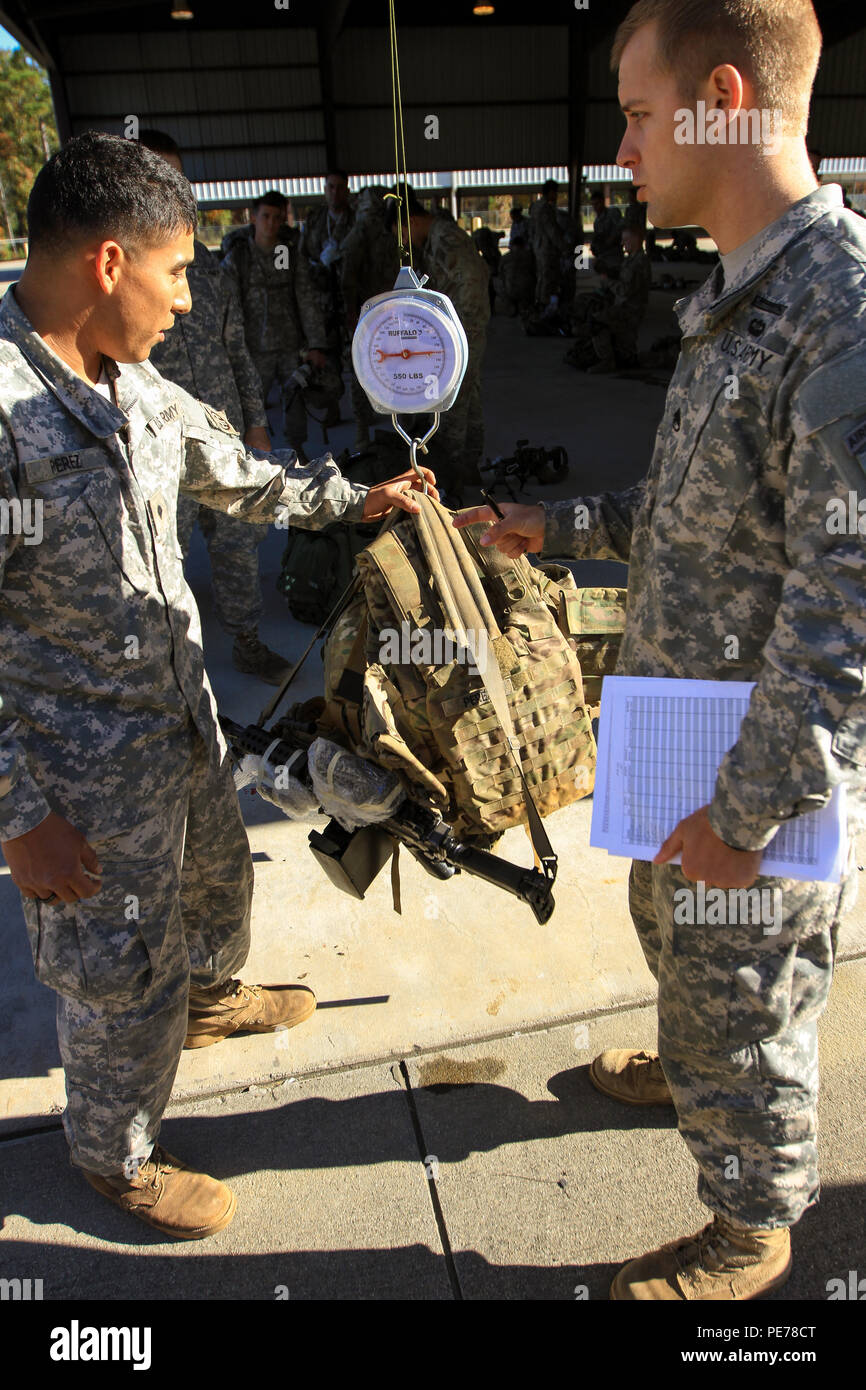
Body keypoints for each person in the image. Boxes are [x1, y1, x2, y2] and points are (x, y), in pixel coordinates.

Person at [456, 0, 866, 1301]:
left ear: (720, 97)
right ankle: (691, 1061)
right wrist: (557, 523)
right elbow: (698, 508)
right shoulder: (738, 295)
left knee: (746, 986)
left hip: (746, 785)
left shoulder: (837, 316)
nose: (624, 150)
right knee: (678, 941)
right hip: (679, 751)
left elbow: (845, 612)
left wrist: (745, 815)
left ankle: (749, 1226)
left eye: (638, 116)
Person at [0, 132, 435, 1242]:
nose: (189, 300)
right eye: (177, 270)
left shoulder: (132, 382)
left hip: (181, 726)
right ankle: (115, 1156)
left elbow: (237, 474)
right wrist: (19, 819)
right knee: (112, 973)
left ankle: (207, 1000)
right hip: (78, 784)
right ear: (108, 262)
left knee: (213, 889)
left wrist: (358, 502)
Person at [140, 130, 290, 686]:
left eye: (175, 176)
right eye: (153, 173)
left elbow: (238, 352)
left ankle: (247, 643)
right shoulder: (120, 272)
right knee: (163, 559)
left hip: (222, 433)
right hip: (157, 442)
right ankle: (167, 667)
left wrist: (256, 424)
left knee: (237, 543)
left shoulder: (209, 269)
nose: (166, 187)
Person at [385, 183, 491, 507]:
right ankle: (469, 468)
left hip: (463, 332)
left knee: (452, 404)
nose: (402, 242)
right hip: (464, 329)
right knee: (469, 399)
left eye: (399, 232)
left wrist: (447, 338)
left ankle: (453, 482)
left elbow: (468, 287)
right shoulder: (437, 240)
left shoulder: (446, 240)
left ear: (410, 221)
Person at [221, 190, 327, 463]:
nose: (271, 223)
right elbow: (229, 305)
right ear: (253, 218)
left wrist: (315, 343)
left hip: (288, 344)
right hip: (253, 348)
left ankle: (296, 451)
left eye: (278, 217)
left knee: (294, 400)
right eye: (266, 216)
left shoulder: (284, 254)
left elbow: (304, 298)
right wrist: (232, 348)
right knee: (250, 402)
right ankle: (250, 455)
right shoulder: (239, 258)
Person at [341, 185, 401, 449]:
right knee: (366, 369)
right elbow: (348, 279)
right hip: (375, 313)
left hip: (382, 312)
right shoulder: (366, 233)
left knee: (377, 368)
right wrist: (351, 312)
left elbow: (347, 278)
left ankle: (372, 429)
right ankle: (364, 430)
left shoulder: (378, 232)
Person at [299, 169, 356, 426]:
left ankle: (363, 421)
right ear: (325, 190)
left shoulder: (356, 220)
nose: (335, 192)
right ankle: (333, 408)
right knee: (329, 363)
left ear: (347, 190)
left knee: (358, 361)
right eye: (330, 187)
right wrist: (319, 263)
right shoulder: (316, 221)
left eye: (340, 187)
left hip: (351, 303)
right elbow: (302, 259)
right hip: (324, 305)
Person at [570, 222, 652, 372]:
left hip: (630, 310)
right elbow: (621, 275)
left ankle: (606, 360)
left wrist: (606, 281)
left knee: (595, 321)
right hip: (624, 306)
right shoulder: (632, 259)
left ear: (634, 240)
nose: (622, 243)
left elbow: (625, 290)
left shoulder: (639, 262)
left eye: (625, 240)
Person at [532, 178, 568, 312]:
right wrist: (564, 247)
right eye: (555, 192)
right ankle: (545, 306)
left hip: (538, 247)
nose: (556, 196)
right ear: (551, 192)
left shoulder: (536, 206)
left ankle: (540, 303)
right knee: (548, 278)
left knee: (541, 276)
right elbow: (552, 231)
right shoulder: (546, 208)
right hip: (546, 249)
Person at [590, 187, 625, 276]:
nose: (595, 207)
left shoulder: (612, 213)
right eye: (593, 205)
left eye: (597, 204)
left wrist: (611, 240)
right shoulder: (597, 221)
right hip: (604, 254)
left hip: (615, 253)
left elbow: (621, 227)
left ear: (602, 202)